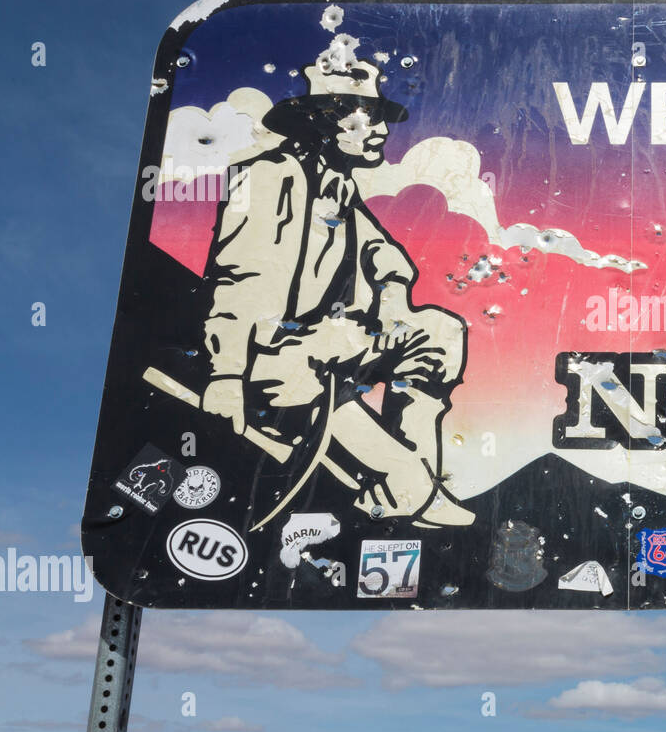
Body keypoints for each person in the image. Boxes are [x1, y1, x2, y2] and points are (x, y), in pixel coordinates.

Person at [199, 47, 473, 527]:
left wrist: (390, 300)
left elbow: (384, 254)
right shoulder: (269, 178)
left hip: (326, 344)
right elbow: (239, 280)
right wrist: (225, 376)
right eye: (368, 120)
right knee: (334, 344)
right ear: (327, 122)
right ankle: (409, 486)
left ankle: (419, 470)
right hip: (270, 354)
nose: (383, 131)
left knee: (438, 328)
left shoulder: (339, 188)